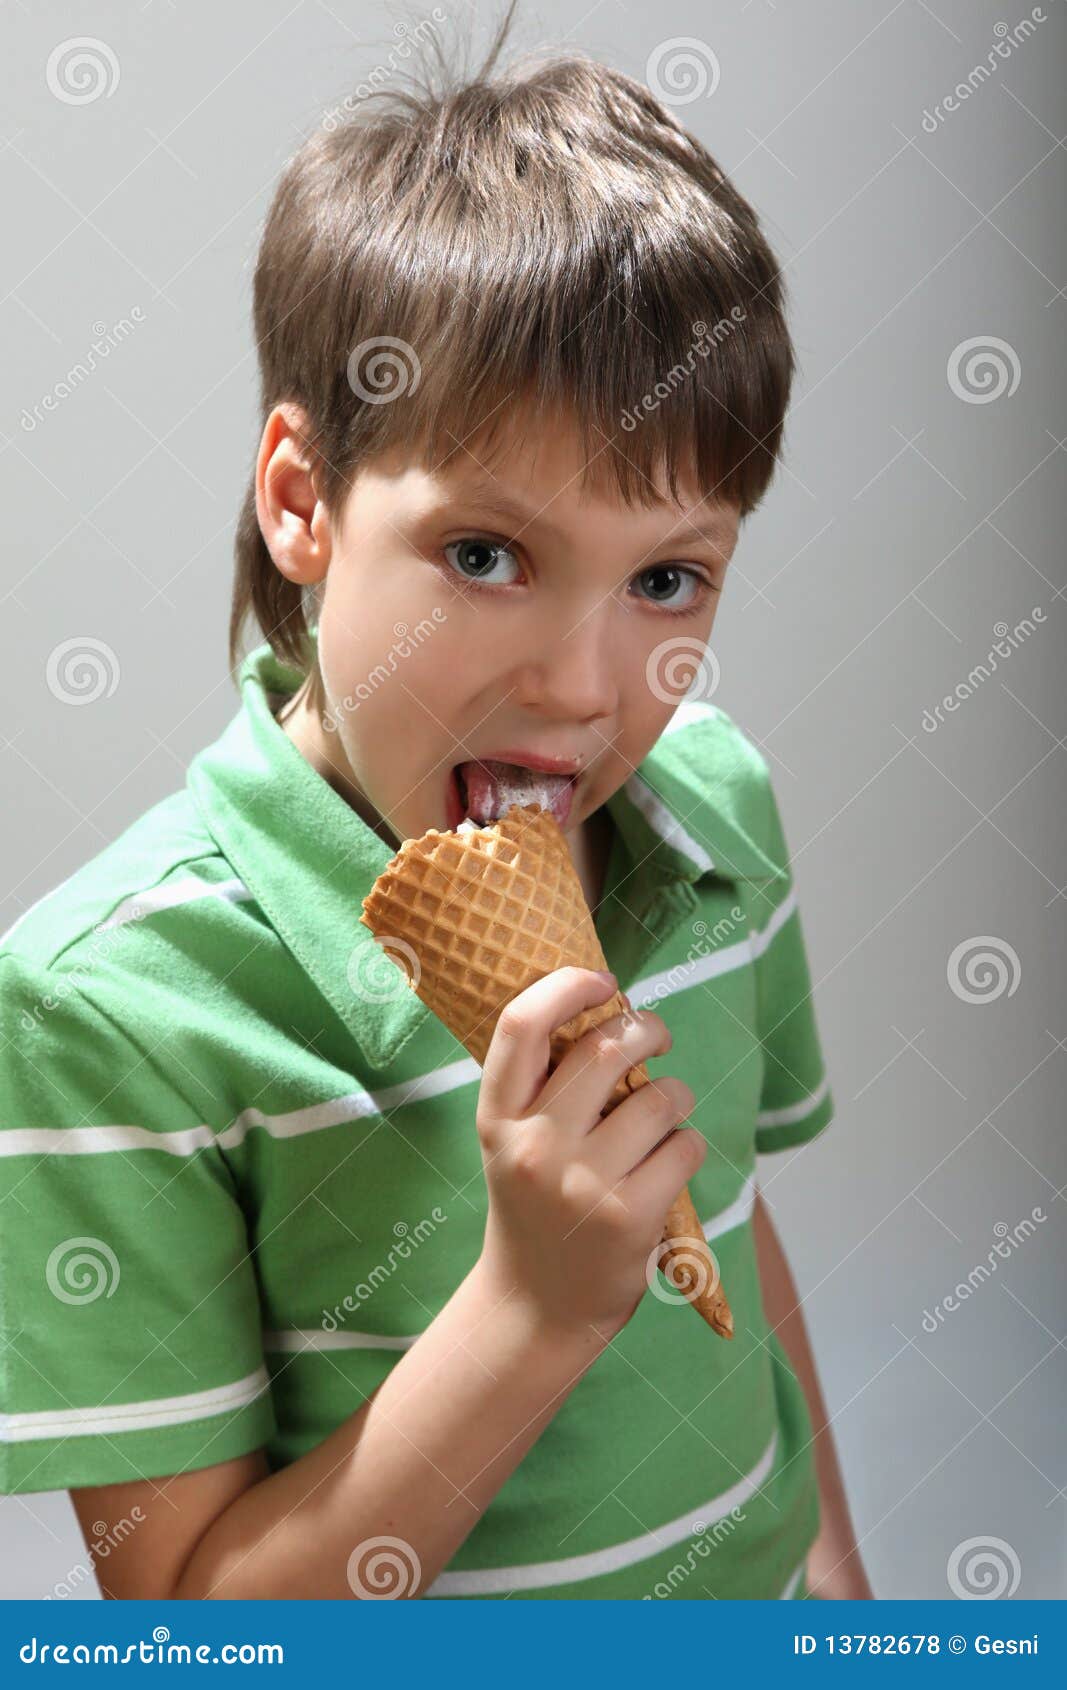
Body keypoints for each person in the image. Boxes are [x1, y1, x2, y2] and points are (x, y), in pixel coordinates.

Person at [0, 7, 872, 1600]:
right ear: (300, 502)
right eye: (487, 555)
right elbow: (194, 1631)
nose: (583, 685)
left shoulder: (717, 814)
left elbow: (734, 1248)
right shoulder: (106, 1009)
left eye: (667, 577)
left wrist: (841, 1601)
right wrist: (527, 1312)